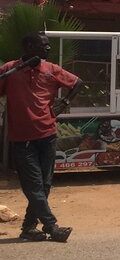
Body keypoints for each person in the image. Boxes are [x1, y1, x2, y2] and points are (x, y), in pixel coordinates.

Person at [0, 32, 81, 242]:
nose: (48, 49)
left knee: (44, 185)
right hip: (21, 139)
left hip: (48, 135)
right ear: (28, 47)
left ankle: (28, 227)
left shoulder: (51, 69)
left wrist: (63, 103)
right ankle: (52, 226)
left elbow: (77, 83)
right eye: (43, 45)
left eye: (48, 45)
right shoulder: (10, 70)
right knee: (33, 185)